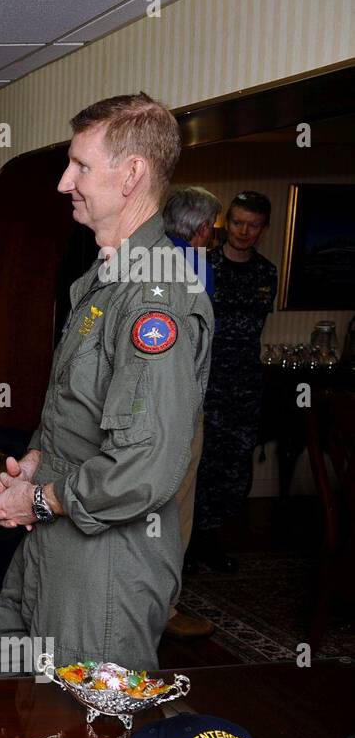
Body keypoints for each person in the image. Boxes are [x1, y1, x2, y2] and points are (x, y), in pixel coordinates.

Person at [0, 93, 213, 672]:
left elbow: (147, 465)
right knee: (2, 700)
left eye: (81, 166)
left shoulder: (155, 299)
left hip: (105, 565)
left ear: (132, 174)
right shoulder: (103, 280)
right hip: (54, 540)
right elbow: (78, 407)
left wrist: (41, 499)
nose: (65, 182)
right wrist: (37, 463)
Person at [191, 191, 277, 574]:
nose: (244, 231)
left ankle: (213, 539)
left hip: (244, 386)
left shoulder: (266, 273)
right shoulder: (202, 265)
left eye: (253, 225)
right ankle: (186, 543)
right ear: (227, 223)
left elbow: (256, 327)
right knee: (200, 462)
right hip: (206, 382)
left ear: (263, 228)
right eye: (239, 222)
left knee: (234, 467)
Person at [161, 185, 222, 639]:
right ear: (203, 229)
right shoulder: (197, 266)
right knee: (176, 509)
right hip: (179, 409)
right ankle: (164, 610)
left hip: (138, 408)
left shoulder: (139, 256)